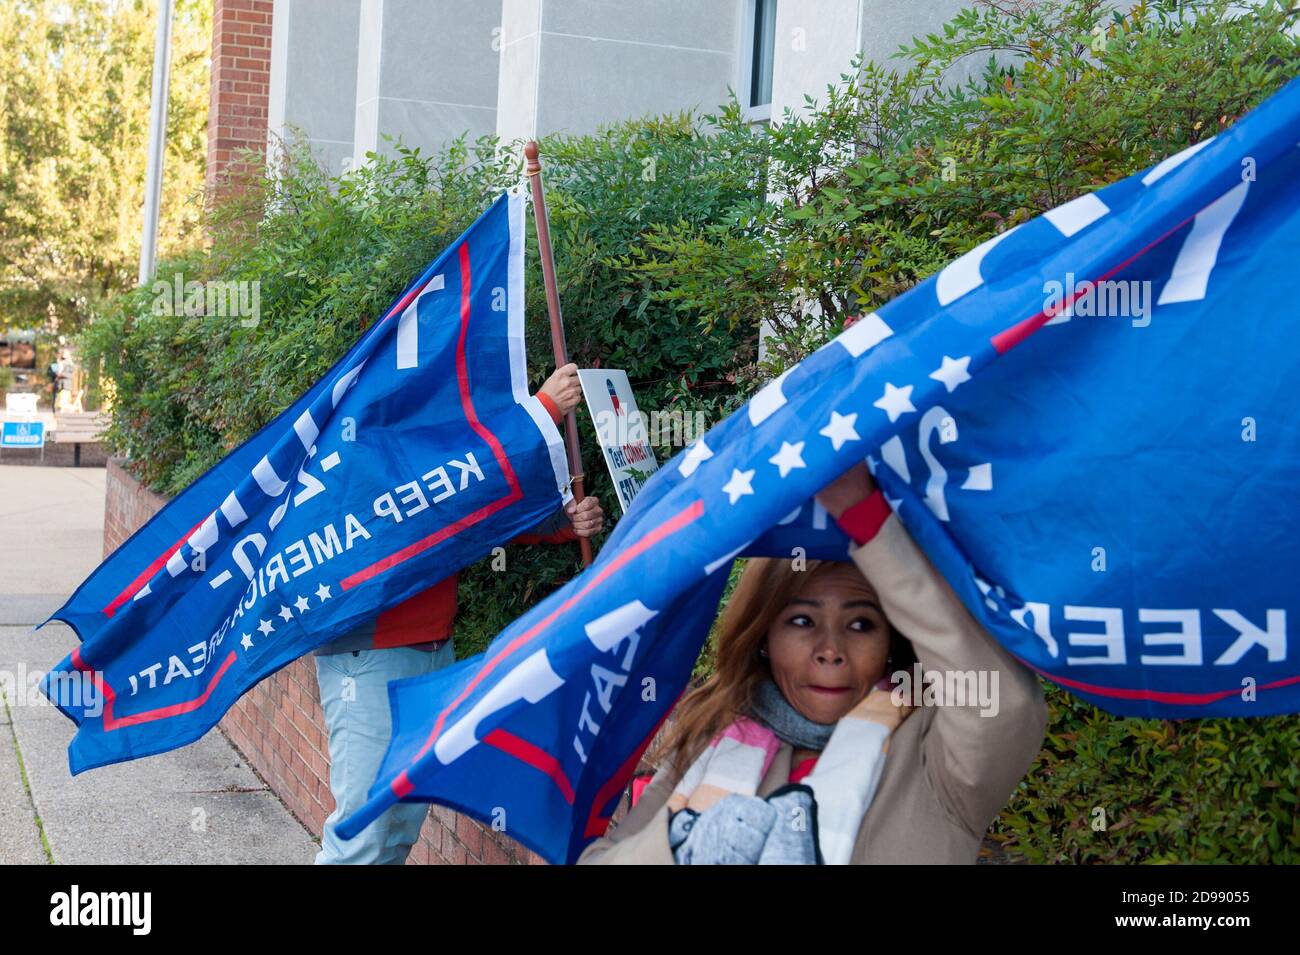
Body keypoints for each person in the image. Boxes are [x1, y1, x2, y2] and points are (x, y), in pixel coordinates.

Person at [579, 461, 1047, 864]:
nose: (831, 649)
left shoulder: (933, 756)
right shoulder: (713, 738)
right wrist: (685, 845)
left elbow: (1004, 705)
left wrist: (868, 520)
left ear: (892, 641)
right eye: (802, 621)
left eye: (862, 624)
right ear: (763, 637)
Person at [315, 363, 605, 865]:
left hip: (432, 654)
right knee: (360, 837)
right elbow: (426, 506)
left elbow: (468, 514)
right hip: (368, 659)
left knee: (400, 827)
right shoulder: (355, 443)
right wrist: (544, 410)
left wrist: (563, 523)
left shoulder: (422, 438)